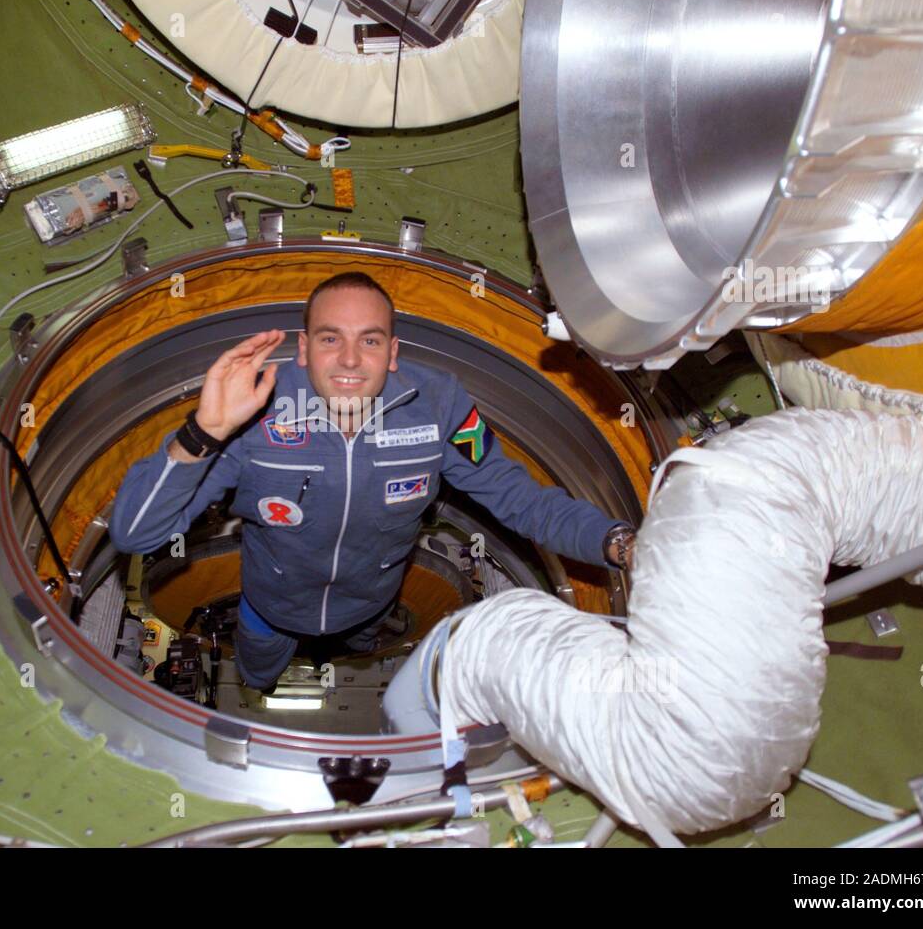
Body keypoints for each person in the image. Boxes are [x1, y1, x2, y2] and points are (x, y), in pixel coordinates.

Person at [109, 272, 637, 692]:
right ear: (303, 348)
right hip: (269, 608)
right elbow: (135, 535)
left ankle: (353, 644)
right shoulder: (253, 415)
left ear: (393, 351)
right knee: (257, 673)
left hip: (371, 606)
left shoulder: (441, 408)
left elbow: (522, 502)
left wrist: (618, 543)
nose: (349, 359)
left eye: (370, 340)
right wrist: (203, 433)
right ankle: (260, 688)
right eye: (330, 338)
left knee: (363, 644)